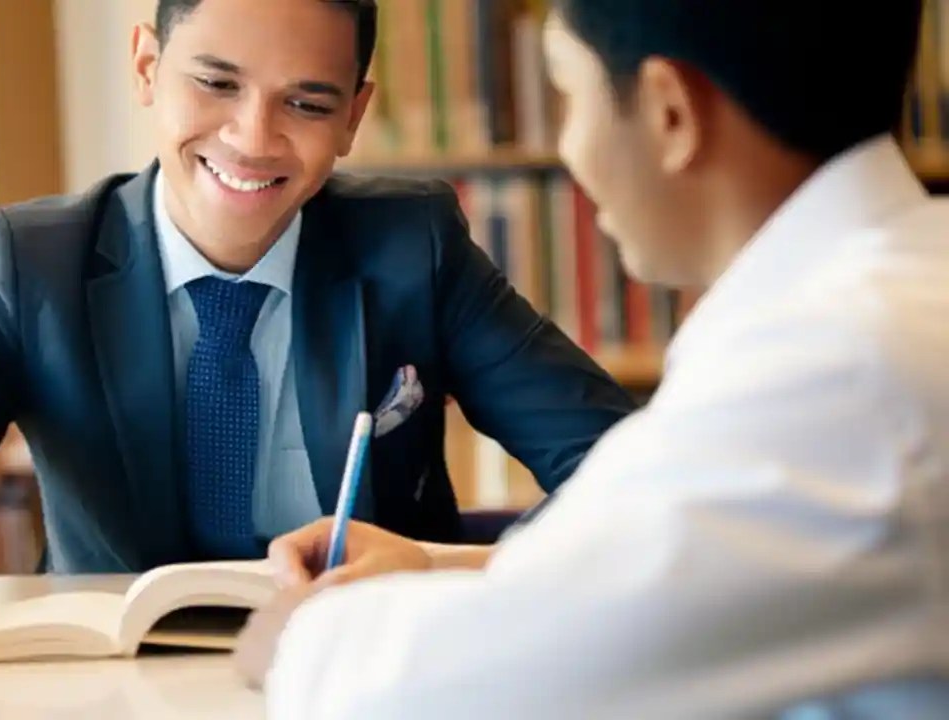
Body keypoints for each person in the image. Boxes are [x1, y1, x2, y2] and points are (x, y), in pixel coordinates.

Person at [0, 0, 636, 666]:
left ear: (354, 117)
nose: (253, 138)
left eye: (306, 100)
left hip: (361, 675)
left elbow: (629, 473)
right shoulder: (31, 264)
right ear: (146, 65)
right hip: (110, 692)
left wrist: (450, 574)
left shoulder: (414, 247)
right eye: (216, 83)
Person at [236, 1, 949, 717]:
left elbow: (489, 684)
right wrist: (431, 568)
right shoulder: (894, 290)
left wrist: (304, 639)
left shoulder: (833, 365)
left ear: (671, 113)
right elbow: (667, 567)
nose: (573, 149)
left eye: (568, 96)